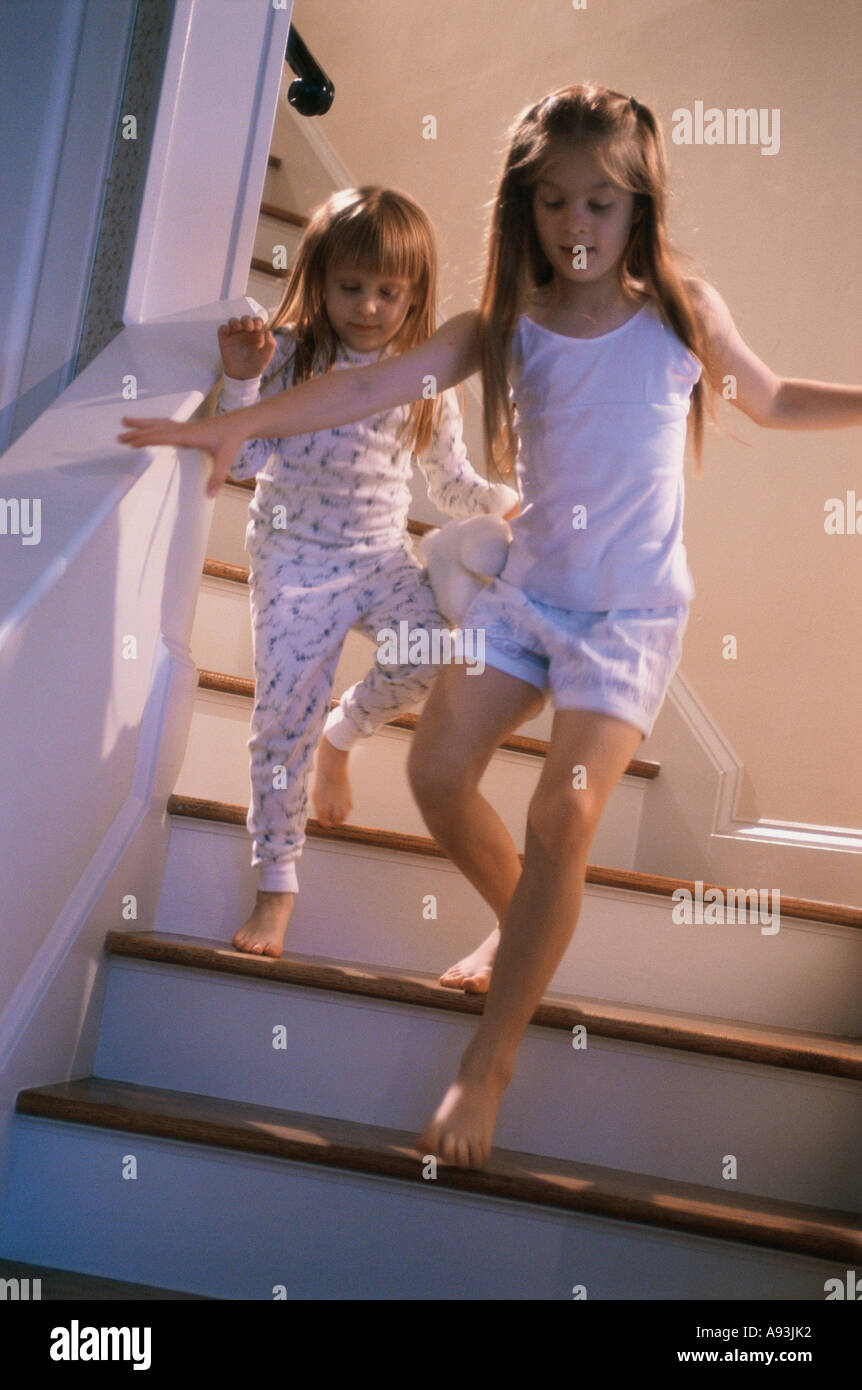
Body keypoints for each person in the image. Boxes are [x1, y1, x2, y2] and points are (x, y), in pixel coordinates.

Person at [120, 85, 862, 1168]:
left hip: (628, 615)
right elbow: (359, 385)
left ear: (639, 204)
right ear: (523, 207)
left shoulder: (677, 310)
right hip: (530, 597)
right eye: (554, 202)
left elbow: (774, 396)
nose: (576, 226)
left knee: (566, 818)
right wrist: (231, 424)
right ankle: (526, 926)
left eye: (600, 204)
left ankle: (491, 1060)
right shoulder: (504, 324)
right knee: (434, 771)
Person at [192, 186, 515, 959]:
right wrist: (241, 380)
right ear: (320, 277)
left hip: (378, 558)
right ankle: (276, 889)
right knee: (279, 726)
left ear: (414, 293)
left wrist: (512, 507)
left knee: (437, 648)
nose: (368, 307)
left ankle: (347, 733)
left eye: (388, 292)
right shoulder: (292, 352)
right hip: (294, 567)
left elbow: (451, 486)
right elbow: (255, 457)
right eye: (350, 287)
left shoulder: (429, 378)